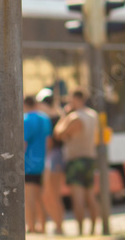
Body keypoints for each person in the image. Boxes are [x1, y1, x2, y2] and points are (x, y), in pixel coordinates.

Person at [54, 89, 99, 236]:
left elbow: (59, 133)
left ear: (76, 99)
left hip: (76, 160)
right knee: (90, 196)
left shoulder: (74, 117)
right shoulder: (93, 115)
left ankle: (80, 232)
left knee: (78, 198)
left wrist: (64, 116)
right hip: (90, 158)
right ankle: (93, 230)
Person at [37, 88, 65, 235]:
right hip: (57, 155)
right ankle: (58, 225)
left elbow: (50, 141)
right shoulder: (58, 113)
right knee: (53, 193)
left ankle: (59, 226)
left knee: (50, 193)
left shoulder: (49, 115)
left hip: (53, 156)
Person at [23, 95, 52, 234]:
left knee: (29, 198)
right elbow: (49, 141)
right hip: (41, 162)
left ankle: (32, 227)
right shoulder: (45, 118)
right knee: (39, 197)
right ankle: (43, 227)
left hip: (27, 163)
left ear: (24, 105)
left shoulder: (27, 119)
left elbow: (23, 142)